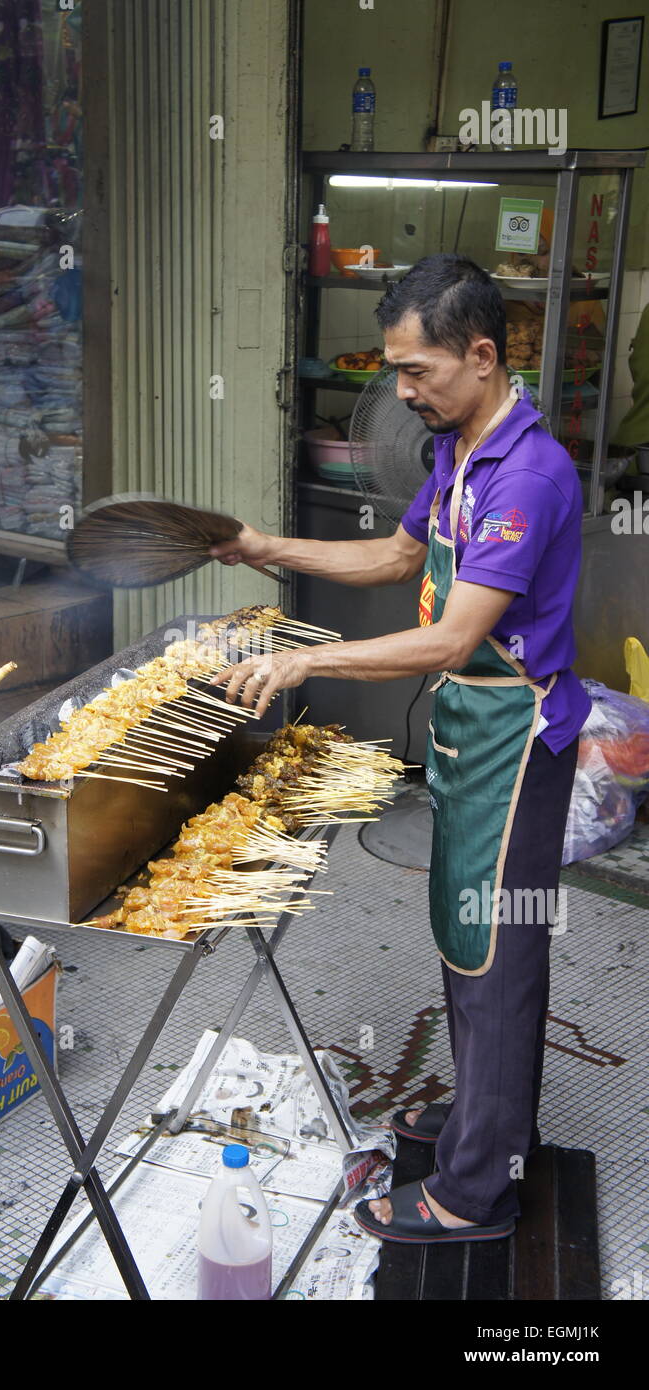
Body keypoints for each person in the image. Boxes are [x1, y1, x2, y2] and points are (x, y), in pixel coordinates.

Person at [209, 254, 590, 1244]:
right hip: (469, 732)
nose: (403, 392)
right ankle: (482, 1125)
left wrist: (307, 663)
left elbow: (453, 636)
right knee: (465, 944)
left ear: (477, 354)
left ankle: (476, 1191)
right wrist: (266, 547)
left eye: (416, 372)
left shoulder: (527, 473)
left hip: (516, 742)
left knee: (498, 957)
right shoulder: (459, 450)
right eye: (395, 372)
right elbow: (393, 556)